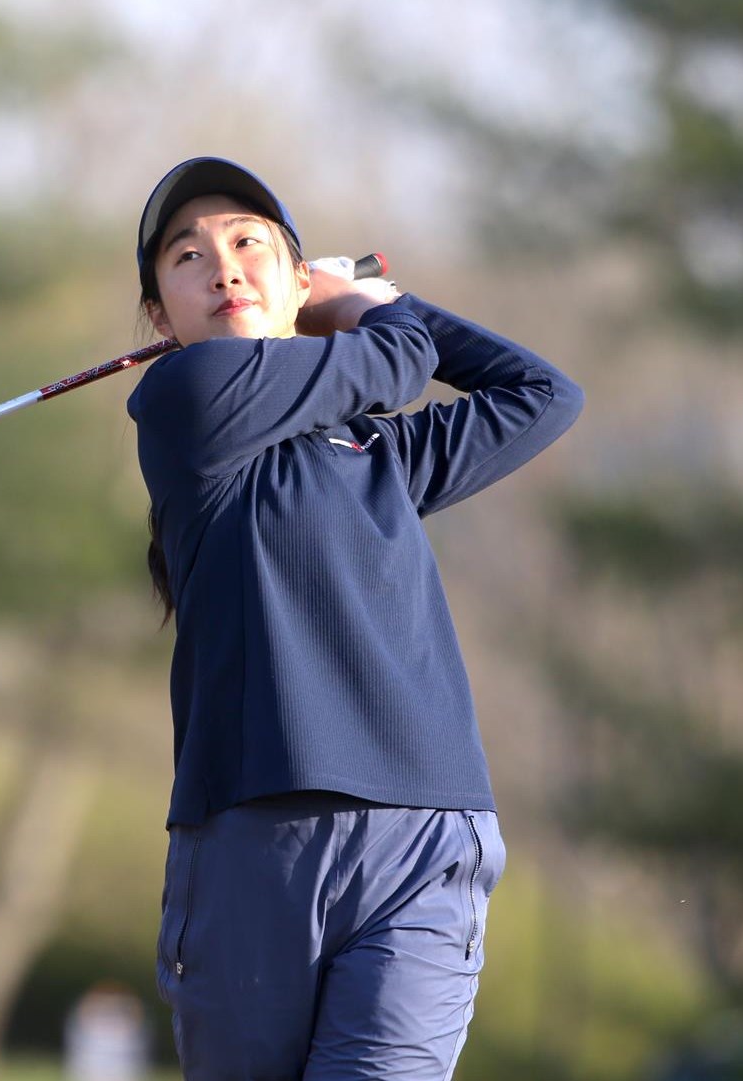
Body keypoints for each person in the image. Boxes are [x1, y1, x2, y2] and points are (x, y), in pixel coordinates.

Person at [124, 156, 584, 1080]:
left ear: (296, 281)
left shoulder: (378, 451)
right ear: (159, 319)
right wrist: (372, 310)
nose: (223, 267)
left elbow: (541, 396)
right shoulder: (181, 401)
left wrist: (359, 302)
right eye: (188, 255)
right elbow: (399, 359)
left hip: (422, 837)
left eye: (250, 243)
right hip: (252, 843)